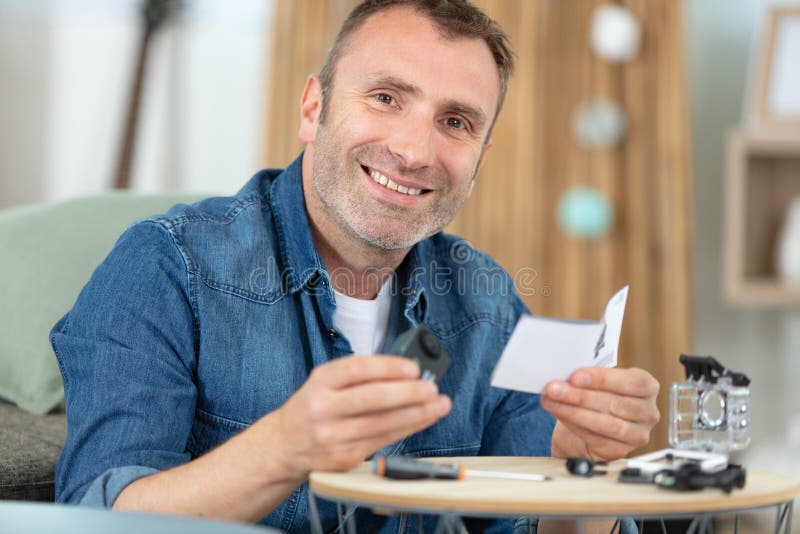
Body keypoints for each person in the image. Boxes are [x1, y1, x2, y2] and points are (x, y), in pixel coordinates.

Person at [52, 1, 659, 532]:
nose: (414, 151)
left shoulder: (489, 309)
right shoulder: (168, 269)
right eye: (386, 97)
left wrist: (588, 474)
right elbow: (95, 520)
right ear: (314, 108)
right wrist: (282, 449)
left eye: (455, 122)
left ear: (480, 157)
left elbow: (540, 529)